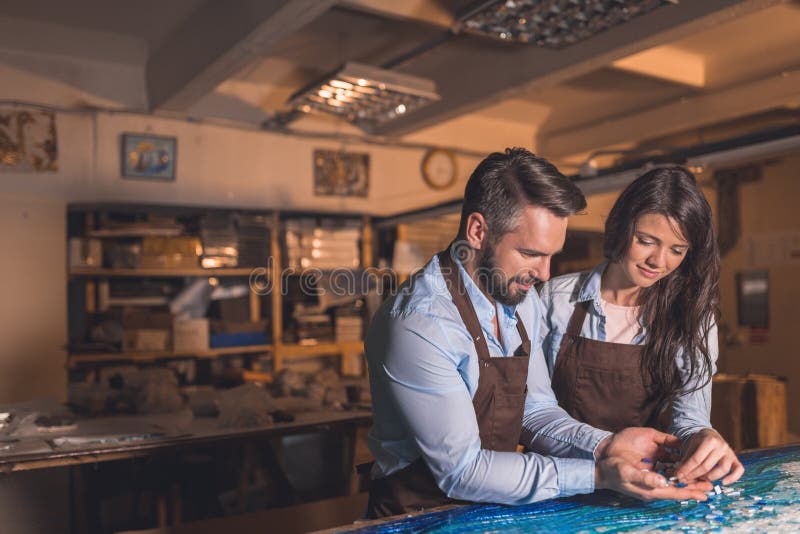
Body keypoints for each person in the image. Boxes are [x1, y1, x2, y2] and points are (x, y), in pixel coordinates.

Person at [364, 149, 711, 519]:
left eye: (552, 256)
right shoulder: (420, 323)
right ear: (478, 231)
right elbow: (461, 472)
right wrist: (598, 474)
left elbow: (535, 409)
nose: (545, 274)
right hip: (415, 518)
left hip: (488, 510)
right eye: (531, 253)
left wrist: (607, 445)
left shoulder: (516, 295)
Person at [539, 166, 744, 488]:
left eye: (677, 250)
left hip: (639, 481)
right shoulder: (556, 299)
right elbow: (532, 412)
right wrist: (606, 449)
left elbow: (689, 419)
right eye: (646, 241)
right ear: (621, 228)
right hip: (558, 479)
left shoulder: (691, 315)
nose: (659, 261)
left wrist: (703, 438)